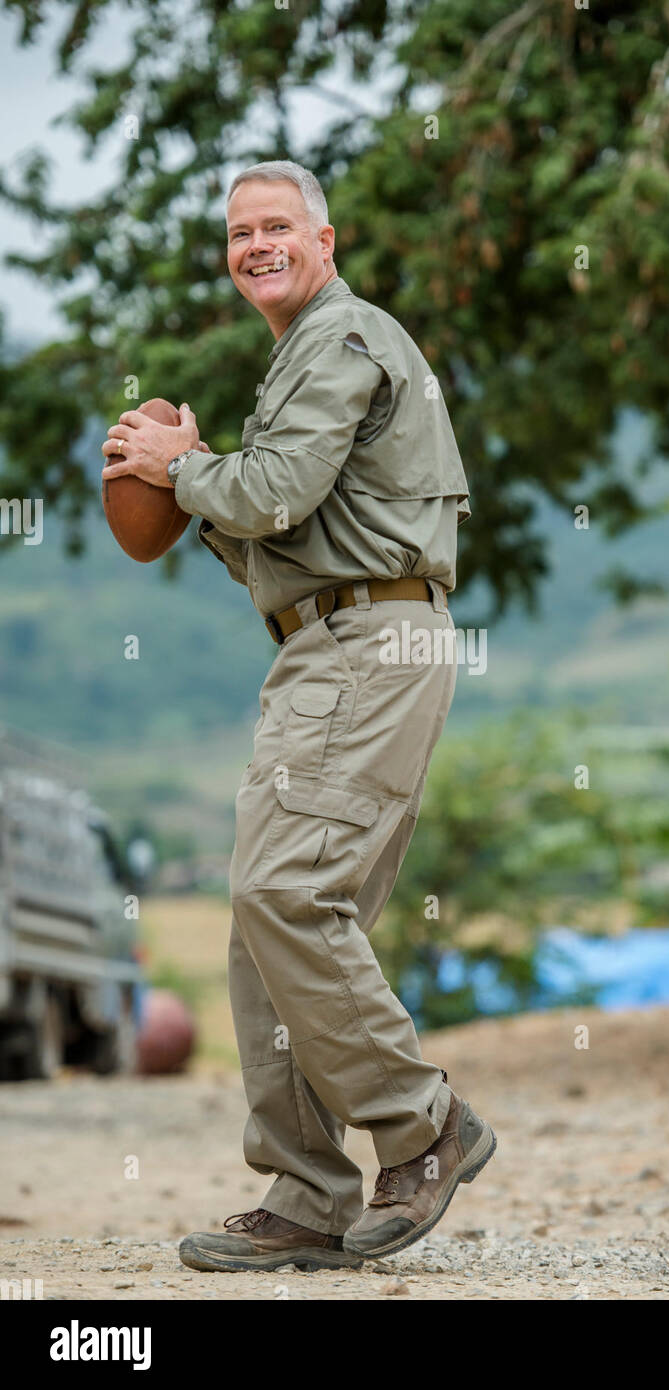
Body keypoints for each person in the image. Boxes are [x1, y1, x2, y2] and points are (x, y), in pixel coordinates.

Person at [101, 159, 496, 1271]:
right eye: (240, 233)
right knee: (260, 923)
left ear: (326, 241)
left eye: (278, 225)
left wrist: (184, 465)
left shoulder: (343, 337)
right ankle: (310, 1194)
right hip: (323, 644)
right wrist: (184, 483)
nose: (256, 245)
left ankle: (425, 1124)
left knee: (286, 892)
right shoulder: (301, 356)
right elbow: (278, 531)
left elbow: (272, 492)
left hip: (369, 645)